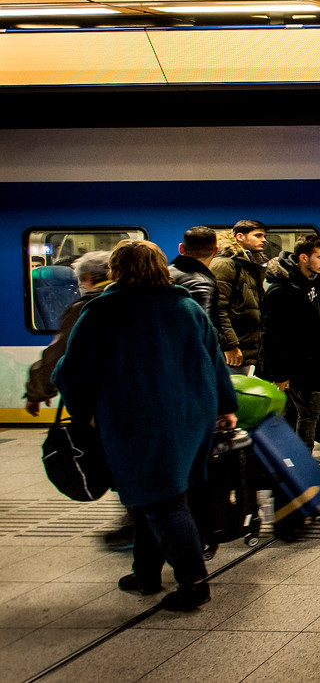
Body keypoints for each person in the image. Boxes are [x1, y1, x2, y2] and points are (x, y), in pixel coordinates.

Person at [52, 240, 237, 611]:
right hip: (191, 417)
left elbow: (74, 371)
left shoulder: (103, 310)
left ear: (117, 269)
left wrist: (78, 406)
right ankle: (147, 571)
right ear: (160, 267)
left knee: (162, 501)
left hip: (136, 420)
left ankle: (195, 584)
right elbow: (214, 361)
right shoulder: (185, 306)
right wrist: (226, 407)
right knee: (154, 494)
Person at [261, 234, 320, 450]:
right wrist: (279, 374)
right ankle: (301, 465)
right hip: (293, 364)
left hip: (309, 361)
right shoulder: (282, 289)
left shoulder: (311, 283)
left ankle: (301, 463)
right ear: (303, 257)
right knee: (306, 411)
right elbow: (270, 335)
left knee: (307, 412)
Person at [26, 249, 112, 417]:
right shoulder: (136, 302)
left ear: (87, 278)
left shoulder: (84, 308)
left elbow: (58, 353)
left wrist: (38, 391)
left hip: (97, 397)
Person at [211, 219, 268, 371]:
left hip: (247, 348)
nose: (264, 240)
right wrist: (230, 345)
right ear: (240, 237)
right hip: (232, 351)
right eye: (258, 236)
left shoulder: (249, 265)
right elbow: (217, 308)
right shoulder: (225, 264)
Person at [169, 226, 220, 330]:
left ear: (181, 248)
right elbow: (205, 328)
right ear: (216, 251)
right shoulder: (203, 284)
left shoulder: (164, 272)